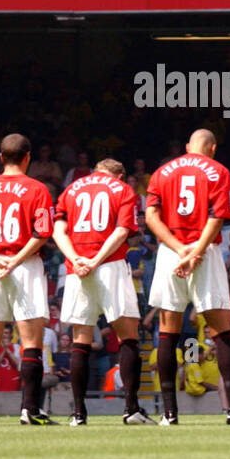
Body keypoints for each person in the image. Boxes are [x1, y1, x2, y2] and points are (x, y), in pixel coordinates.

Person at [145, 128, 230, 424]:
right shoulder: (219, 171)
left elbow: (151, 216)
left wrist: (179, 249)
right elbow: (218, 217)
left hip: (171, 251)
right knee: (222, 331)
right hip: (205, 251)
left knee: (168, 331)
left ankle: (169, 414)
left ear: (186, 146)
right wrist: (196, 252)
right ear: (213, 148)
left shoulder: (162, 171)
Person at [53, 157, 153, 426]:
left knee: (80, 338)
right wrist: (96, 260)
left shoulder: (71, 189)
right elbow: (122, 232)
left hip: (77, 269)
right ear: (119, 176)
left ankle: (78, 414)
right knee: (128, 336)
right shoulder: (122, 190)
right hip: (109, 265)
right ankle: (131, 409)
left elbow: (58, 230)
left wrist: (76, 259)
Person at [0, 132, 54, 425]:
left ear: (1, 158)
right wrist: (15, 261)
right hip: (24, 265)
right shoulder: (38, 189)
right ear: (27, 157)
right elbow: (42, 233)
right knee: (31, 343)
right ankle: (29, 410)